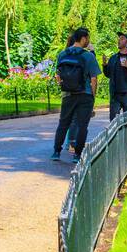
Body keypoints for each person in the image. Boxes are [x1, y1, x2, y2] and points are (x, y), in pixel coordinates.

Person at [52, 27, 99, 161]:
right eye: (88, 38)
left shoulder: (63, 54)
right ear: (83, 38)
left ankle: (56, 152)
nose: (88, 41)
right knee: (82, 125)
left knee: (63, 124)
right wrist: (93, 96)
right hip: (85, 94)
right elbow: (94, 79)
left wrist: (65, 86)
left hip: (68, 95)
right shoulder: (88, 56)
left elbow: (57, 76)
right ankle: (77, 154)